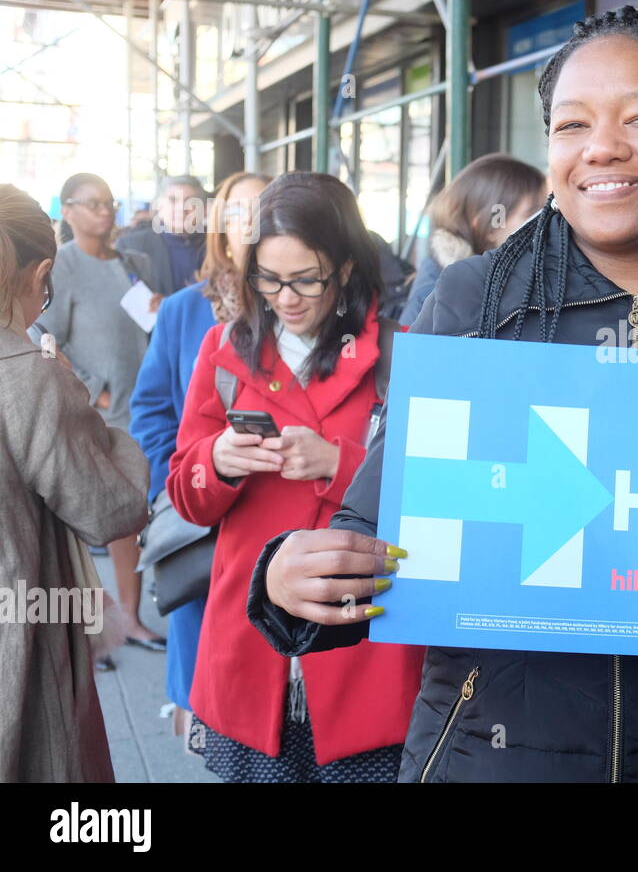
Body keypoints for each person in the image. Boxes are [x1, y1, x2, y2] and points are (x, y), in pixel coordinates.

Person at [246, 6, 638, 783]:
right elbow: (372, 537)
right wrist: (285, 579)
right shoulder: (472, 306)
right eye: (572, 124)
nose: (602, 148)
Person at [166, 172, 424, 782]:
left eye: (306, 278)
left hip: (367, 647)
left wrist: (341, 464)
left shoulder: (401, 354)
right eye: (270, 278)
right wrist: (217, 461)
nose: (286, 297)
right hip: (250, 645)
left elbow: (438, 496)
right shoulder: (223, 350)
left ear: (346, 268)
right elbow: (185, 494)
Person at [0, 183, 150, 781]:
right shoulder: (30, 380)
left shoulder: (130, 263)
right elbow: (113, 507)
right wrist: (82, 403)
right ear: (41, 274)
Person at [129, 171, 271, 743]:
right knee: (202, 710)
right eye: (237, 211)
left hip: (278, 522)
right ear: (219, 225)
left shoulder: (307, 304)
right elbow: (151, 410)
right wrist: (180, 483)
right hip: (203, 523)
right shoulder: (186, 310)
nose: (251, 222)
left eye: (265, 208)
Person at [34, 172, 165, 654]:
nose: (104, 210)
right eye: (90, 203)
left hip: (145, 405)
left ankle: (127, 619)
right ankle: (87, 630)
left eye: (108, 202)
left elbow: (152, 325)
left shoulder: (133, 261)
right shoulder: (62, 266)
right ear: (66, 211)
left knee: (131, 518)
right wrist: (94, 392)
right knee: (93, 518)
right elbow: (44, 336)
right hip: (98, 413)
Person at [399, 154, 546, 325]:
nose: (545, 221)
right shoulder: (436, 298)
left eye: (545, 211)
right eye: (531, 215)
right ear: (490, 227)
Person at [117, 175, 209, 297]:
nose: (181, 208)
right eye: (172, 200)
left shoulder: (219, 244)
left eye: (190, 201)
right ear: (159, 207)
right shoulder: (132, 245)